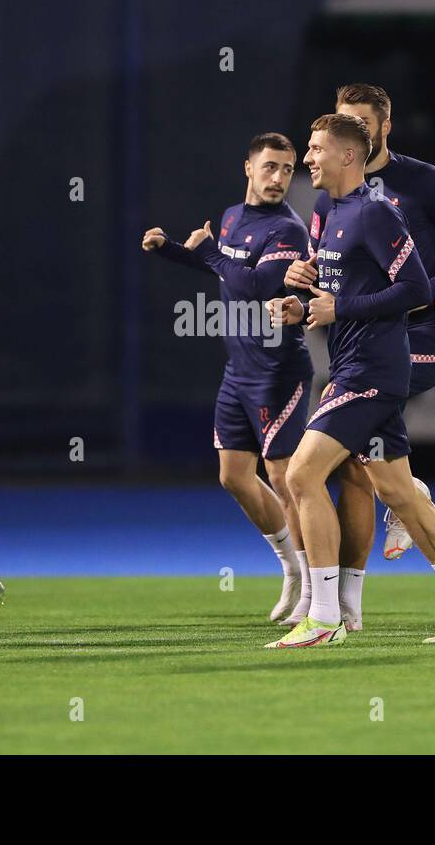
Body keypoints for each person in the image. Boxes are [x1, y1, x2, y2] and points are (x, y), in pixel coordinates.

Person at [267, 113, 435, 649]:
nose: (309, 158)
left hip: (375, 370)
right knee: (400, 494)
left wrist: (339, 308)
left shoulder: (377, 213)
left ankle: (324, 617)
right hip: (352, 365)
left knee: (301, 475)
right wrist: (302, 301)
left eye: (317, 149)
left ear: (348, 156)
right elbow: (338, 283)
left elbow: (413, 288)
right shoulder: (328, 210)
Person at [143, 133, 312, 623]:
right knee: (234, 475)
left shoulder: (288, 230)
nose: (279, 177)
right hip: (238, 372)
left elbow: (257, 286)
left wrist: (211, 250)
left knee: (285, 478)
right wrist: (172, 249)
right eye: (270, 167)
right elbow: (221, 271)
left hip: (278, 372)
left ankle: (313, 589)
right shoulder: (234, 217)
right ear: (248, 168)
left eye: (287, 168)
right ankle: (292, 569)